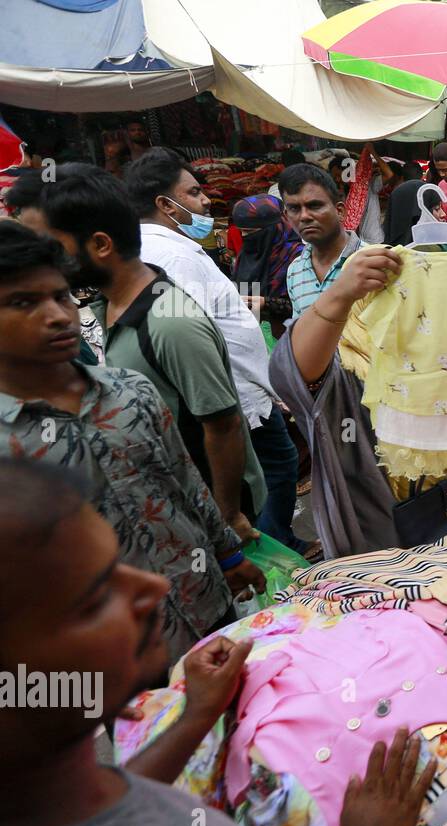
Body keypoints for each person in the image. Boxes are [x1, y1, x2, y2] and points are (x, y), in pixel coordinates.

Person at [0, 457, 436, 826]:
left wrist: (196, 717)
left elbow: (116, 800)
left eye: (119, 565)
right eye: (96, 598)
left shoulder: (56, 798)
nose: (153, 585)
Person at [0, 222, 264, 662]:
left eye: (61, 295)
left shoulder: (130, 391)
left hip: (209, 606)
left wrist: (229, 557)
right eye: (23, 302)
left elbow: (186, 484)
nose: (59, 315)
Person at [24, 163, 267, 544]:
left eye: (54, 248)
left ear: (101, 245)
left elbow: (222, 426)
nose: (45, 262)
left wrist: (228, 518)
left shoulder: (171, 324)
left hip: (208, 520)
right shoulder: (108, 309)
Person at [124, 149, 299, 548]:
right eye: (194, 192)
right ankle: (273, 551)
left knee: (269, 470)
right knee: (271, 472)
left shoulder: (165, 248)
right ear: (165, 204)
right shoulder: (171, 253)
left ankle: (272, 543)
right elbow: (186, 332)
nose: (206, 202)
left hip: (239, 389)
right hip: (233, 394)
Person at [270, 162, 403, 558]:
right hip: (327, 407)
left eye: (314, 205)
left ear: (341, 207)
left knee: (390, 494)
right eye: (293, 208)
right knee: (344, 491)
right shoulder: (295, 270)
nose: (304, 216)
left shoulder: (378, 261)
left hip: (381, 404)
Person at [231, 194, 304, 336]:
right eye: (242, 231)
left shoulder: (298, 257)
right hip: (249, 334)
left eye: (250, 232)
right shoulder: (247, 254)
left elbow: (308, 306)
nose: (245, 236)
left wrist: (267, 303)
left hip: (287, 339)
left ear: (273, 229)